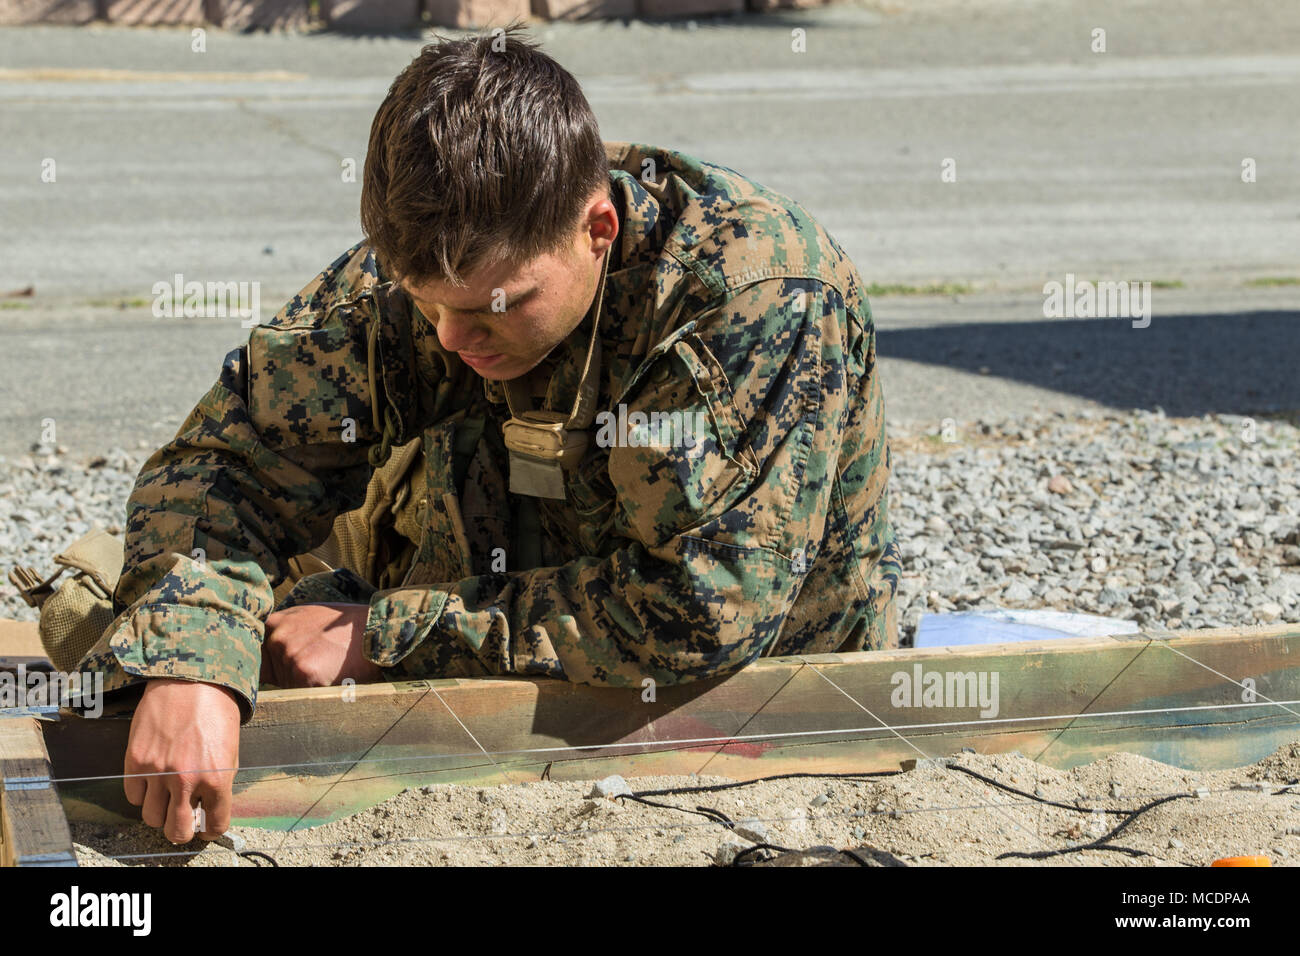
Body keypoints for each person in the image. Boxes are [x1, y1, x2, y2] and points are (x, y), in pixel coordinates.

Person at [76, 29, 901, 845]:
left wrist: (388, 636)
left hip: (763, 713)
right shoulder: (438, 266)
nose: (449, 336)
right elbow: (227, 464)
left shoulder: (753, 296)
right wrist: (191, 665)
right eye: (427, 300)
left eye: (491, 306)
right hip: (487, 634)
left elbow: (700, 610)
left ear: (598, 229)